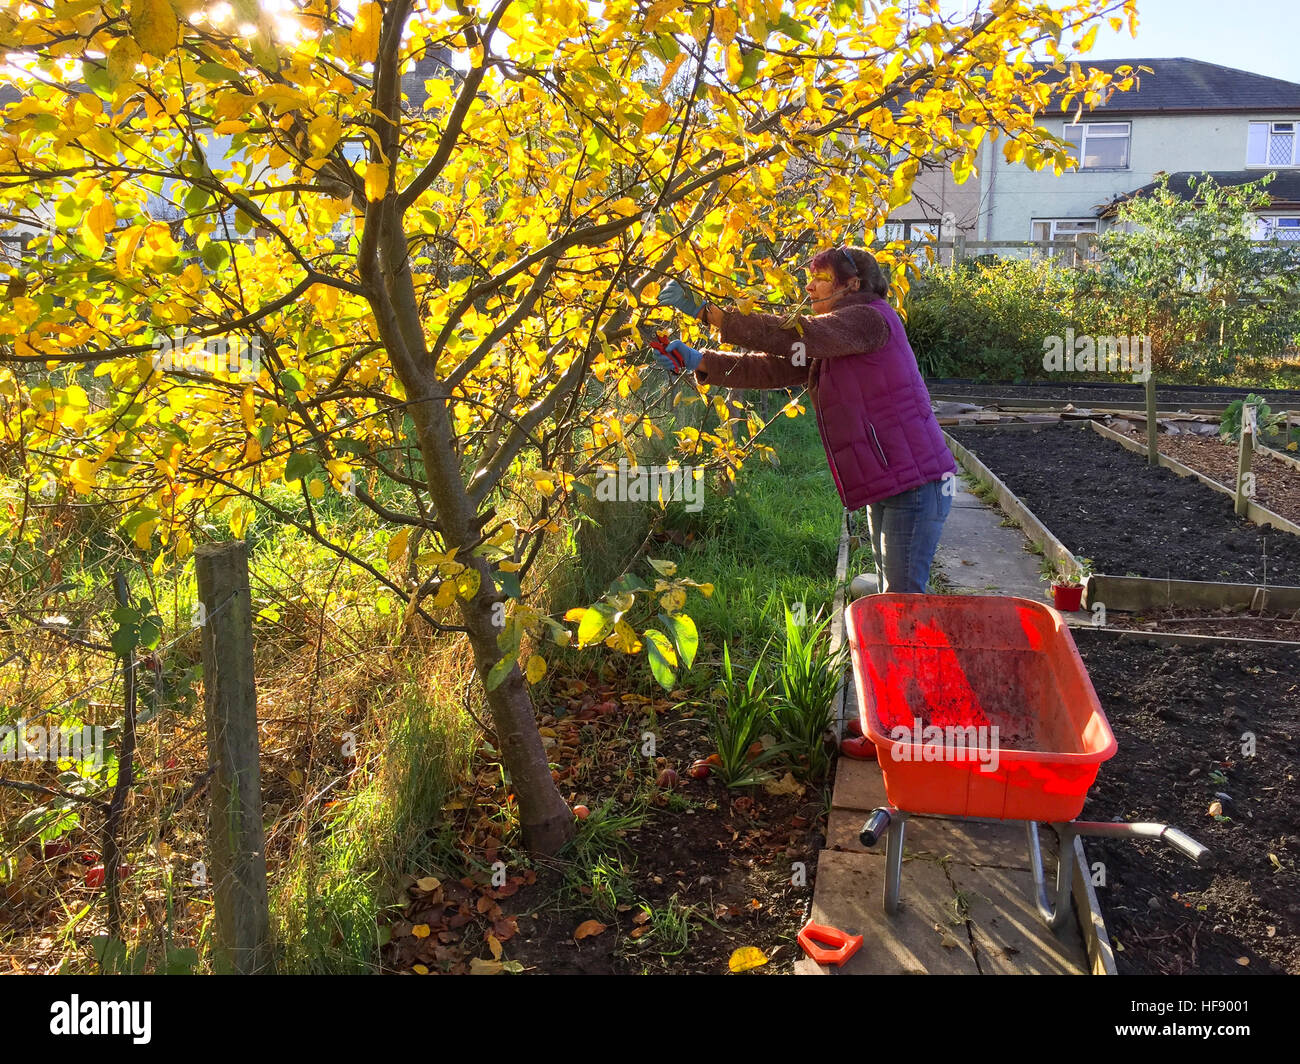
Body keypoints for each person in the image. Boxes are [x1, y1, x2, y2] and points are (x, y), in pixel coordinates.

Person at [650, 245, 956, 594]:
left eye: (821, 279)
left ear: (852, 285)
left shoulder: (870, 319)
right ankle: (903, 644)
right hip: (891, 478)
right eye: (810, 279)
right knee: (894, 593)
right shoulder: (837, 339)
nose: (809, 287)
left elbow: (797, 334)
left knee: (904, 598)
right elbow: (772, 367)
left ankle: (931, 647)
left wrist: (713, 314)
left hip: (914, 484)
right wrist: (699, 361)